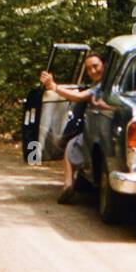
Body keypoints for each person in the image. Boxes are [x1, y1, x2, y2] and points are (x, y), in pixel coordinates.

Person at [40, 52, 109, 204]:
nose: (93, 71)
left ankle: (68, 184)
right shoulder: (107, 84)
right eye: (89, 69)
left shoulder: (104, 86)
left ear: (104, 65)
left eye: (95, 66)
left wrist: (54, 87)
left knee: (71, 146)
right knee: (73, 144)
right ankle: (71, 184)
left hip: (101, 132)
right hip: (101, 131)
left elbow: (78, 97)